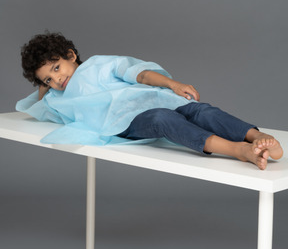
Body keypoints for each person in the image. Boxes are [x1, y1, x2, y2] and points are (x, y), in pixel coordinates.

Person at [16, 32, 283, 170]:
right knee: (164, 120)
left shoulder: (99, 65)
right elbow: (38, 105)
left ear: (71, 55)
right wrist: (45, 87)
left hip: (151, 98)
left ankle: (257, 137)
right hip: (130, 121)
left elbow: (139, 74)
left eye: (56, 68)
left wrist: (173, 84)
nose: (56, 80)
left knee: (200, 111)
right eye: (47, 80)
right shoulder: (58, 98)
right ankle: (239, 150)